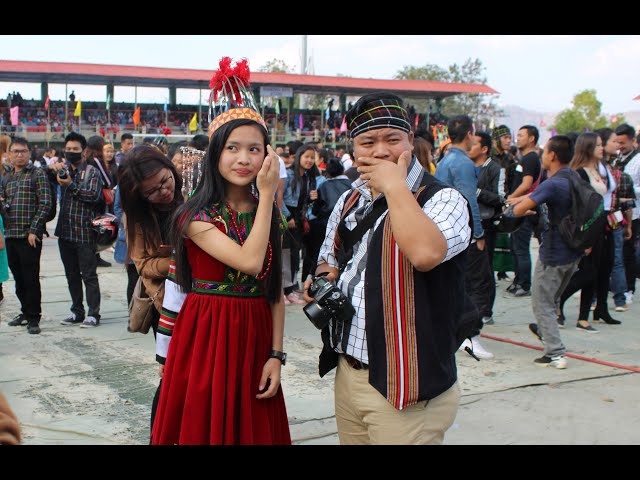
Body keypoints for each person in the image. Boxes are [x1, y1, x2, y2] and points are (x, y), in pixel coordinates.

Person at [306, 92, 471, 445]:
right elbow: (328, 258)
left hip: (407, 386)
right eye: (368, 142)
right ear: (354, 148)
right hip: (350, 373)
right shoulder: (351, 197)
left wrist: (395, 186)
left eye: (392, 140)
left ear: (410, 142)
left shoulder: (444, 199)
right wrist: (325, 280)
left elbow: (425, 253)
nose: (381, 151)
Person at [151, 57, 290, 445]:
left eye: (254, 149)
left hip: (255, 330)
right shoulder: (194, 216)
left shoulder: (270, 216)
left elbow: (274, 289)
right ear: (215, 153)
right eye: (232, 147)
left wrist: (276, 355)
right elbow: (248, 262)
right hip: (206, 331)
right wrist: (268, 199)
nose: (244, 159)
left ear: (268, 156)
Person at [118, 144, 184, 434]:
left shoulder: (195, 193)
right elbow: (143, 264)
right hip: (166, 307)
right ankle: (161, 435)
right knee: (172, 375)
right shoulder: (139, 218)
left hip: (207, 300)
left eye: (165, 180)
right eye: (153, 191)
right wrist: (176, 263)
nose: (164, 191)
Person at [509, 135, 582, 368]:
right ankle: (544, 330)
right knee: (553, 298)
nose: (542, 155)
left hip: (553, 253)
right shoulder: (575, 178)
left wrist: (520, 206)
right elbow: (534, 197)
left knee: (542, 302)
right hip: (573, 252)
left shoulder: (553, 183)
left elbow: (521, 209)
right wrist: (521, 199)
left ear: (552, 155)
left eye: (545, 152)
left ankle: (555, 352)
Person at [435, 115, 492, 359]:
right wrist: (478, 233)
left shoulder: (445, 161)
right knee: (477, 286)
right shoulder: (463, 163)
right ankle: (471, 336)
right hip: (463, 233)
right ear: (469, 134)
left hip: (444, 231)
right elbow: (470, 201)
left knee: (458, 285)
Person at [557, 133, 620, 332]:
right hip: (590, 226)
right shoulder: (580, 173)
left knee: (603, 268)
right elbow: (580, 205)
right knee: (588, 271)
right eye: (599, 145)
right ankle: (558, 301)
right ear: (588, 148)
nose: (602, 148)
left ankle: (589, 314)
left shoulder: (601, 169)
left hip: (606, 223)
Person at [3, 137, 52, 334]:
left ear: (29, 153)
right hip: (10, 235)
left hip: (29, 236)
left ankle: (34, 318)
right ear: (9, 154)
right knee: (18, 278)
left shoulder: (37, 174)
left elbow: (46, 203)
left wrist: (34, 229)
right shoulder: (7, 177)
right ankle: (24, 311)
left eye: (23, 151)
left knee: (31, 278)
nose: (19, 155)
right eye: (15, 151)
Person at [54, 132, 104, 328]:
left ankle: (93, 314)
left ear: (83, 151)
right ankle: (77, 311)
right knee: (71, 274)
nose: (71, 152)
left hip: (84, 231)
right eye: (68, 149)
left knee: (89, 275)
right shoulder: (64, 170)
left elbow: (93, 196)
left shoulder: (92, 172)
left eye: (75, 149)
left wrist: (71, 185)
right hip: (65, 232)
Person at [596, 127, 636, 312]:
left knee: (615, 259)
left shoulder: (614, 169)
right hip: (600, 220)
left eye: (619, 142)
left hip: (612, 219)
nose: (617, 146)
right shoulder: (597, 169)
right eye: (614, 141)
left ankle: (616, 298)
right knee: (600, 261)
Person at [469, 130, 506, 327]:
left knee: (485, 269)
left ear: (484, 149)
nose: (469, 148)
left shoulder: (494, 169)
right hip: (468, 222)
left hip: (486, 223)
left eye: (473, 145)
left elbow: (500, 198)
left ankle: (485, 310)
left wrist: (477, 192)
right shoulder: (466, 167)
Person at [505, 125, 542, 297]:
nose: (517, 138)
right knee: (515, 246)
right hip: (519, 206)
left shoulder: (530, 158)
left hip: (525, 208)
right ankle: (518, 280)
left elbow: (527, 184)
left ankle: (524, 284)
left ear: (531, 138)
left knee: (521, 247)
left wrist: (511, 198)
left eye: (521, 135)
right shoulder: (524, 158)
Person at [281, 143, 321, 303]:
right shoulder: (289, 174)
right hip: (288, 218)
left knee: (294, 255)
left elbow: (305, 202)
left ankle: (289, 290)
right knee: (285, 255)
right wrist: (287, 216)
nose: (310, 160)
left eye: (312, 157)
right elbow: (279, 198)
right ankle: (283, 291)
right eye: (307, 157)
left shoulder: (308, 177)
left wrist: (312, 199)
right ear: (299, 157)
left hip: (298, 218)